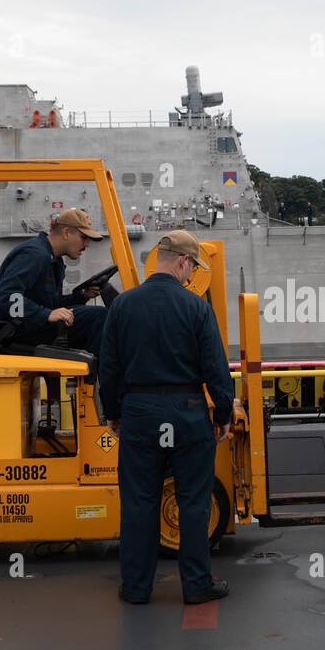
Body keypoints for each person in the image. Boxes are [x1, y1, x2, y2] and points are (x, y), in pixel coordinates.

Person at [99, 230, 234, 605]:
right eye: (192, 267)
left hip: (140, 413)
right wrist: (223, 412)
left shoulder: (123, 306)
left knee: (139, 501)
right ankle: (196, 585)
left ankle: (137, 588)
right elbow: (215, 367)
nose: (191, 275)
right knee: (193, 501)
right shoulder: (196, 307)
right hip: (186, 412)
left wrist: (113, 412)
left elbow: (109, 369)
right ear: (183, 262)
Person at [0, 208, 108, 359]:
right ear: (66, 233)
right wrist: (45, 314)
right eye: (83, 237)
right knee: (99, 316)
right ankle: (103, 379)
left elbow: (51, 303)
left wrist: (82, 296)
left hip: (33, 325)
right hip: (20, 330)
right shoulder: (35, 255)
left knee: (91, 315)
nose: (87, 244)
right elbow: (6, 297)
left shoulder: (52, 258)